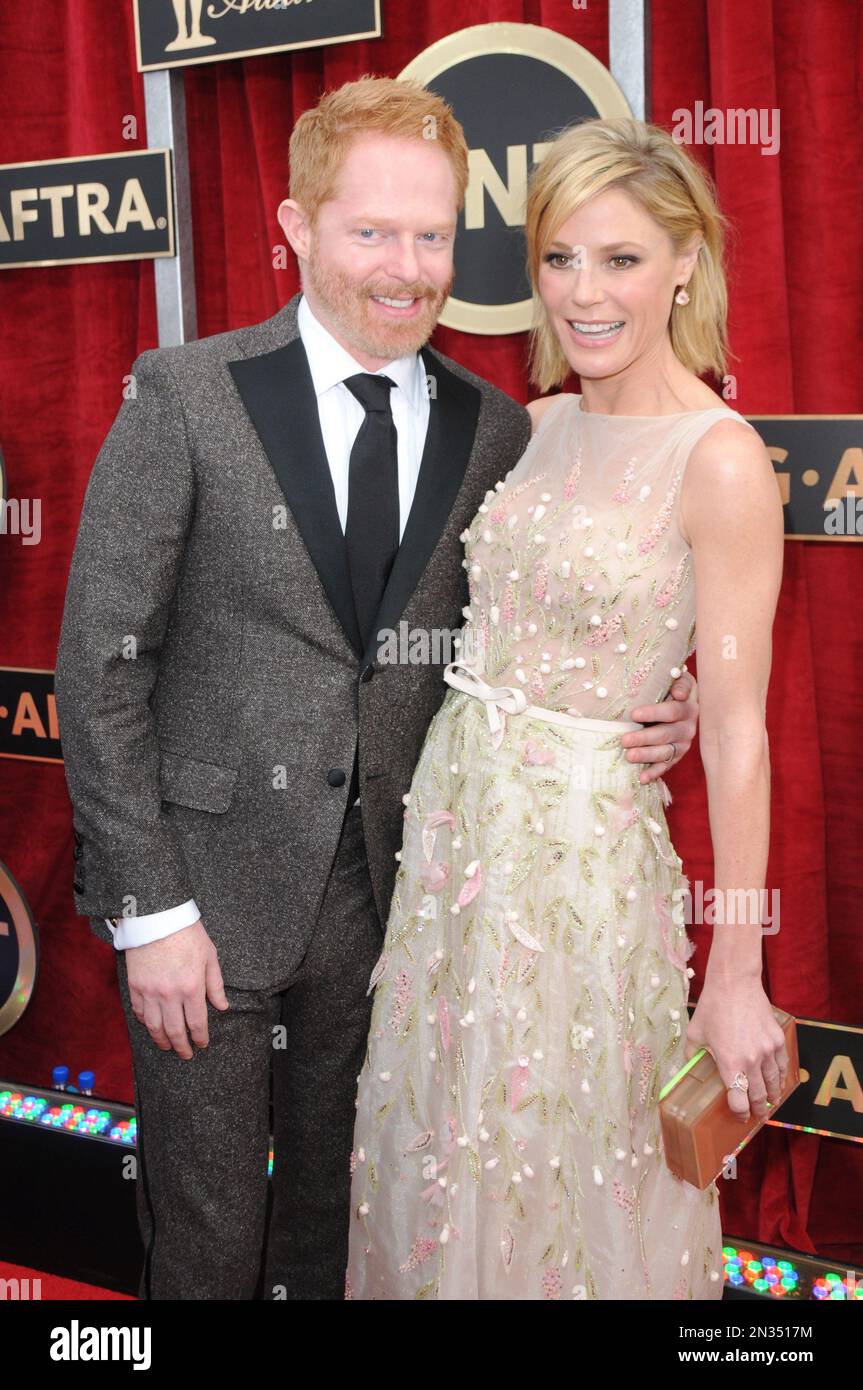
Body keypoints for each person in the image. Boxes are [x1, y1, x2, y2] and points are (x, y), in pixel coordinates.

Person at [54, 79, 699, 1301]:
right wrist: (149, 910)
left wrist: (655, 703)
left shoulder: (496, 429)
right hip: (203, 911)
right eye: (371, 233)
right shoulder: (184, 395)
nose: (408, 269)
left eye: (433, 234)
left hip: (399, 919)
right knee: (202, 1242)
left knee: (334, 1234)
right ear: (294, 227)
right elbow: (100, 665)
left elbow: (518, 630)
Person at [346, 115, 788, 1301]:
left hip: (582, 877)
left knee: (570, 1175)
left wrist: (736, 965)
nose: (582, 294)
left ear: (685, 262)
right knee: (441, 1161)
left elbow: (742, 732)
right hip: (452, 859)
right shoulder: (533, 428)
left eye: (621, 259)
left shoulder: (722, 459)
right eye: (559, 259)